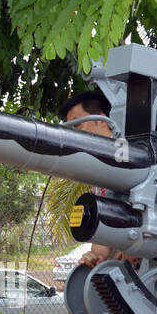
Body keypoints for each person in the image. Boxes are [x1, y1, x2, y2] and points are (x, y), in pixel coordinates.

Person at [56, 90, 137, 269]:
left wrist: (139, 249)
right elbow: (104, 236)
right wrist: (93, 257)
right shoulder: (99, 174)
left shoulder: (133, 154)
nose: (74, 135)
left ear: (101, 120)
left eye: (78, 126)